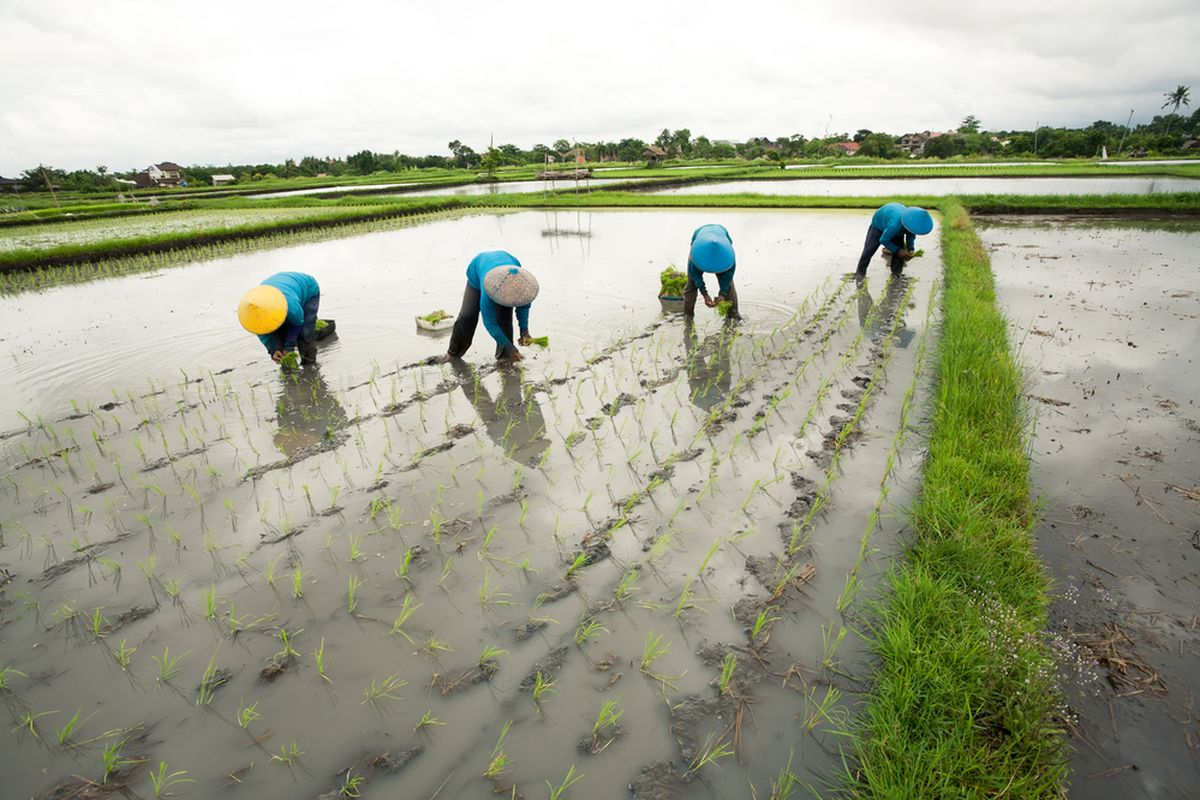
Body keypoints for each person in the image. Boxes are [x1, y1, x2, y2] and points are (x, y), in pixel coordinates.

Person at [446, 251, 540, 362]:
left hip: (507, 262)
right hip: (478, 269)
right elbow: (490, 323)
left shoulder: (523, 288)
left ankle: (506, 358)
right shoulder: (490, 290)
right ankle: (453, 354)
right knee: (468, 315)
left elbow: (523, 308)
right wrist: (508, 346)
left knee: (504, 319)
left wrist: (524, 331)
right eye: (508, 294)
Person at [238, 272, 321, 366]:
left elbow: (298, 323)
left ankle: (309, 365)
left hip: (308, 288)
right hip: (281, 288)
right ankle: (288, 366)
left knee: (305, 333)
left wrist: (289, 346)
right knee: (279, 338)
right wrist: (273, 350)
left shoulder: (291, 308)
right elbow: (263, 333)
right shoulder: (254, 315)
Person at [855, 203, 933, 280]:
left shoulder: (911, 224)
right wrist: (898, 250)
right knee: (870, 249)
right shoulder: (894, 226)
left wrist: (910, 249)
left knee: (899, 251)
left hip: (896, 224)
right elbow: (883, 240)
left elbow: (911, 236)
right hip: (879, 223)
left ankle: (897, 273)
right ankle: (860, 272)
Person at [685, 223, 739, 318]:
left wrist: (722, 294)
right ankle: (688, 315)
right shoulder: (695, 259)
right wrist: (705, 294)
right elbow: (696, 277)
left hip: (722, 238)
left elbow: (727, 278)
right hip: (700, 241)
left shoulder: (728, 259)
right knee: (691, 284)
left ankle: (734, 315)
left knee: (729, 285)